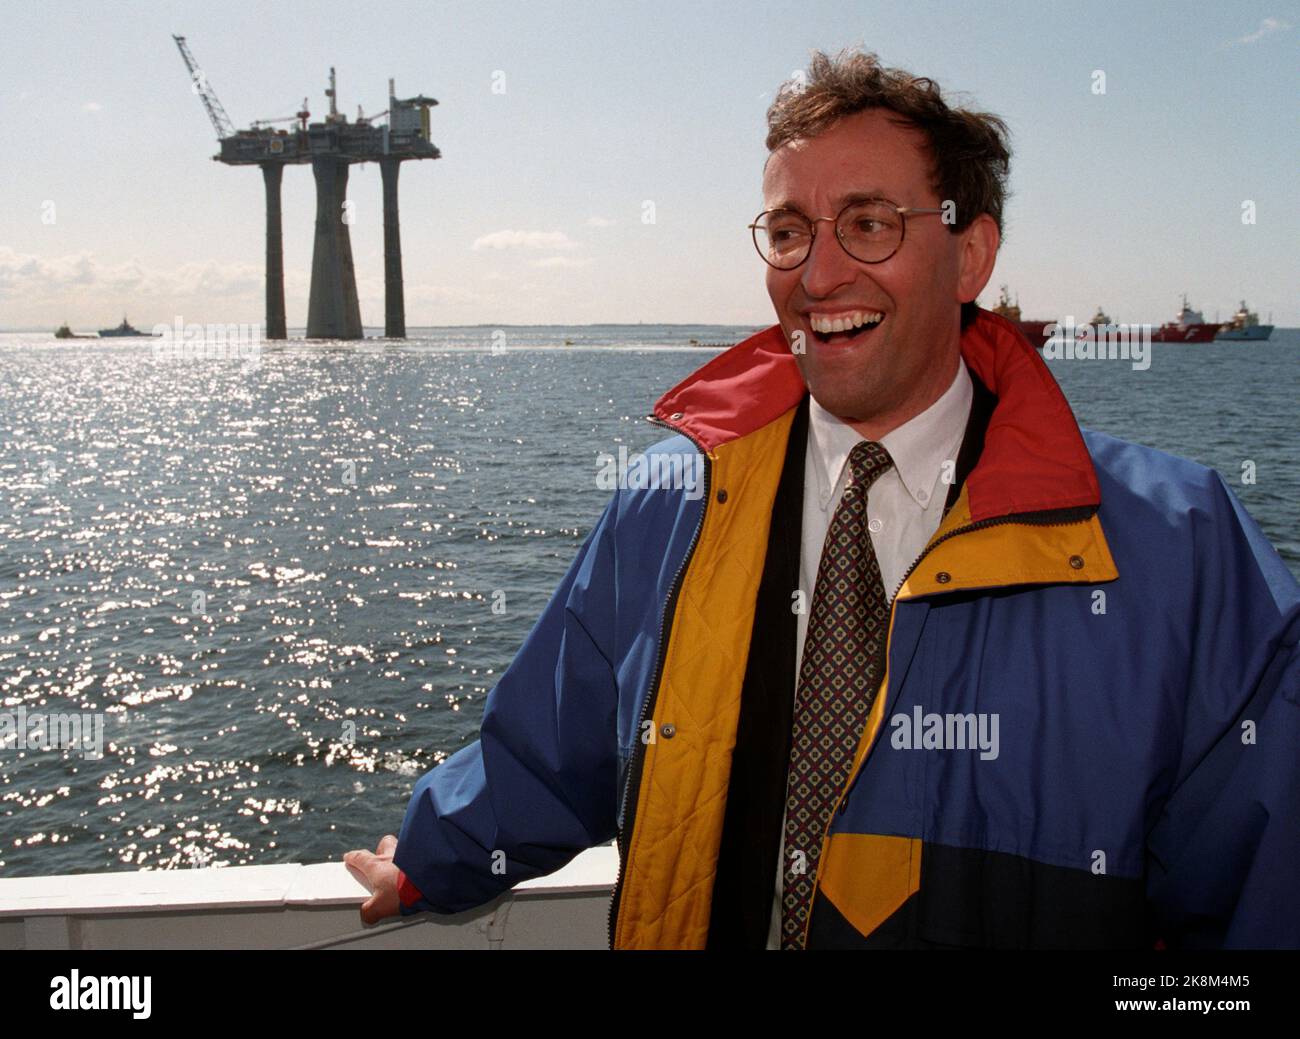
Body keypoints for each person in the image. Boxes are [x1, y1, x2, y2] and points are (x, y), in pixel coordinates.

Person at [345, 49, 1300, 949]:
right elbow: (554, 747)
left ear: (971, 256)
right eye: (791, 230)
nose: (820, 273)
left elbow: (1265, 883)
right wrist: (434, 859)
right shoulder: (670, 505)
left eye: (871, 222)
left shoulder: (1177, 547)